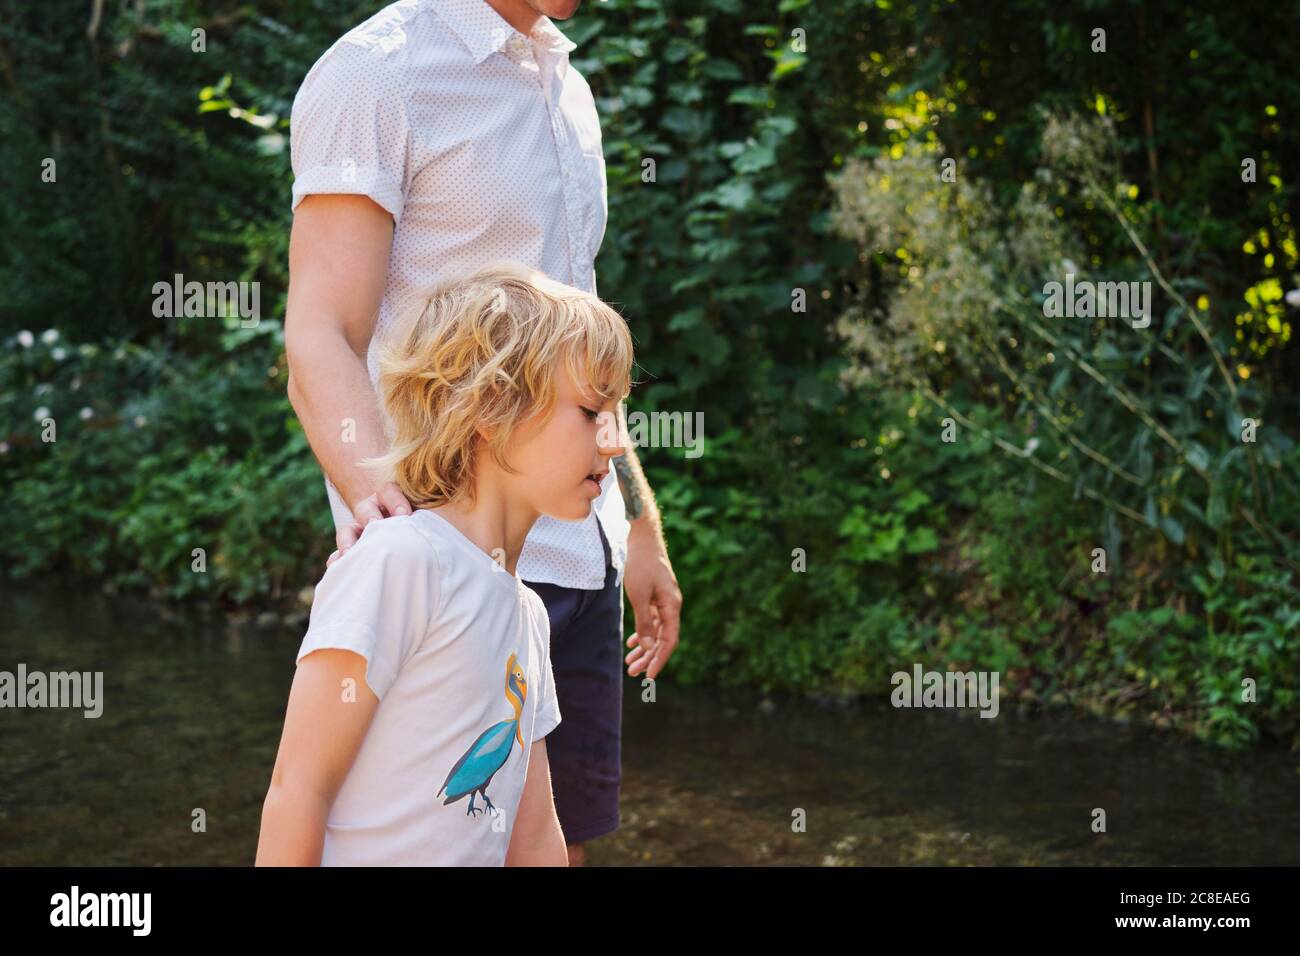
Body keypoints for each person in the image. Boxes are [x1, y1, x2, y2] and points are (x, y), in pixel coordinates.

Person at [283, 0, 681, 865]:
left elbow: (577, 358)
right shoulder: (376, 75)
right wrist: (392, 529)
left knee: (555, 844)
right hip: (445, 570)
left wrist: (637, 522)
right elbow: (320, 332)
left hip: (580, 555)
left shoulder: (563, 84)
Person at [257, 261, 634, 865]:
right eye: (592, 412)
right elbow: (298, 791)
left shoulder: (528, 615)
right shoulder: (400, 561)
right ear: (492, 408)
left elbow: (534, 838)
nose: (614, 442)